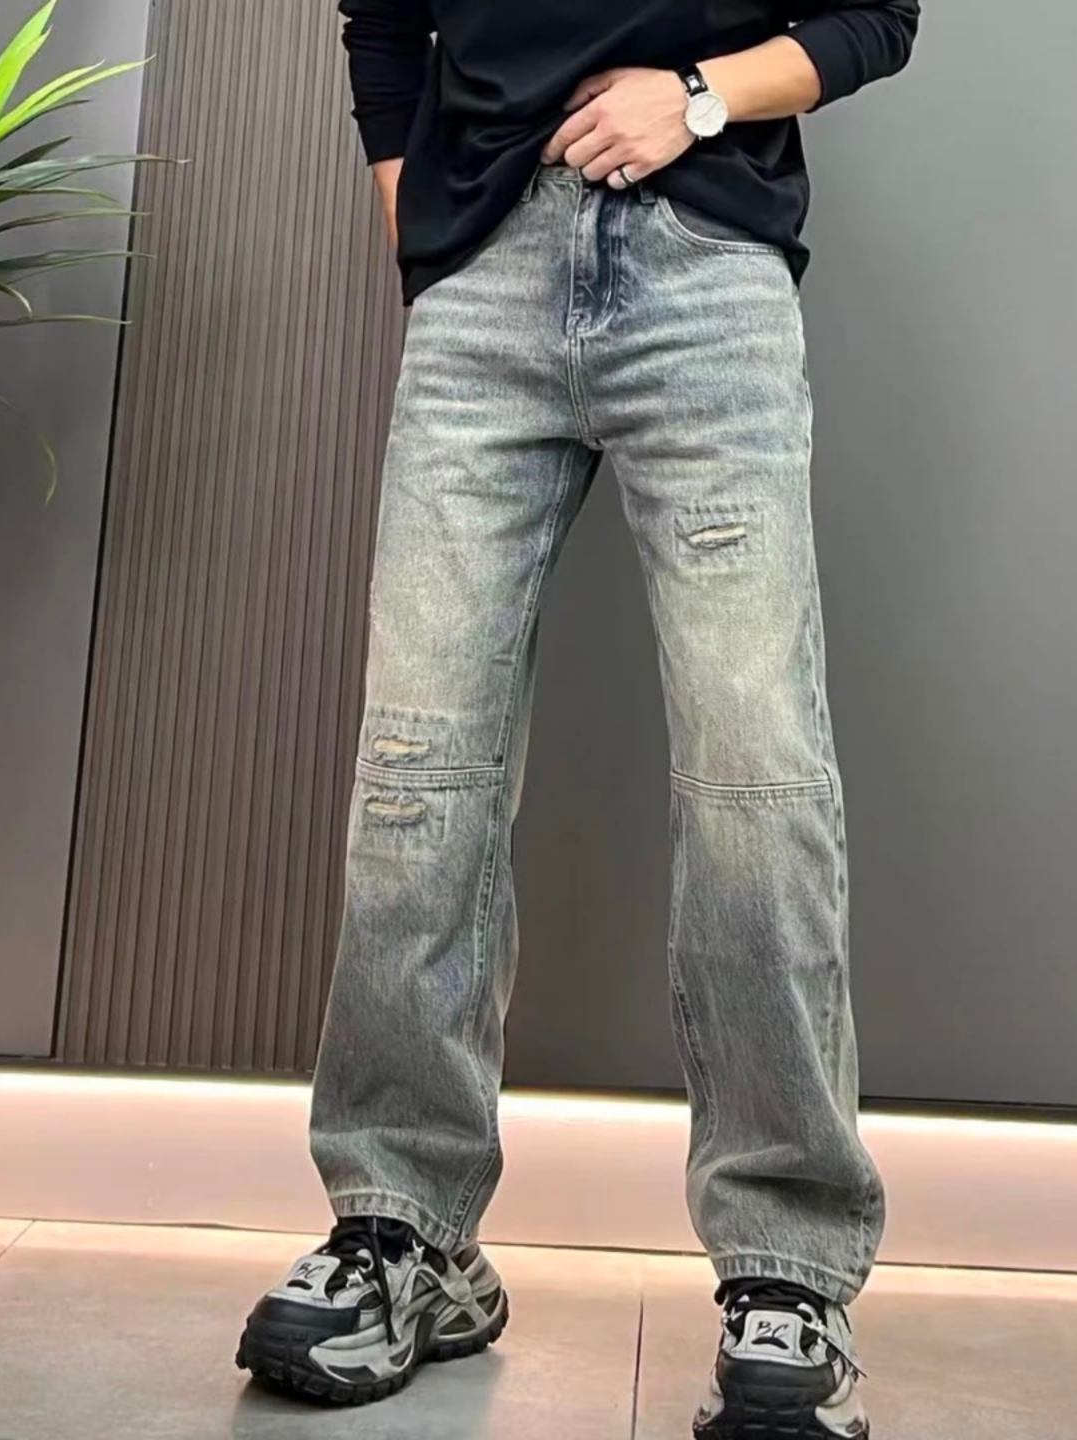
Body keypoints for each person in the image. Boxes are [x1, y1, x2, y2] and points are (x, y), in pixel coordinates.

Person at [236, 3, 919, 1436]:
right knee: (419, 768)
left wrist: (699, 98)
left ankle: (787, 1269)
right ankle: (405, 1229)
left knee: (755, 776)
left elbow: (878, 18)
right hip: (488, 275)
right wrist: (420, 217)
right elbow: (381, 22)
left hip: (705, 273)